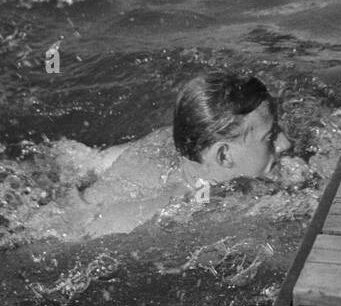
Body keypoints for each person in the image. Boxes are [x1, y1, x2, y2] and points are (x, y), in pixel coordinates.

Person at [51, 72, 293, 239]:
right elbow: (69, 233)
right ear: (223, 156)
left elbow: (77, 161)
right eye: (270, 137)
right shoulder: (180, 213)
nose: (285, 143)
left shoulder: (170, 140)